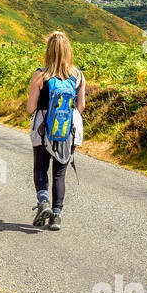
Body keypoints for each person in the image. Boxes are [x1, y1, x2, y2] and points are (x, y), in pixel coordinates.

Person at [25, 30, 86, 230]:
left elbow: (31, 108)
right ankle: (57, 216)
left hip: (43, 129)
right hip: (68, 129)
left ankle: (43, 203)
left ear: (48, 51)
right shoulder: (78, 75)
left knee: (41, 168)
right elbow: (81, 106)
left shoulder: (41, 75)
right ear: (68, 50)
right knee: (59, 174)